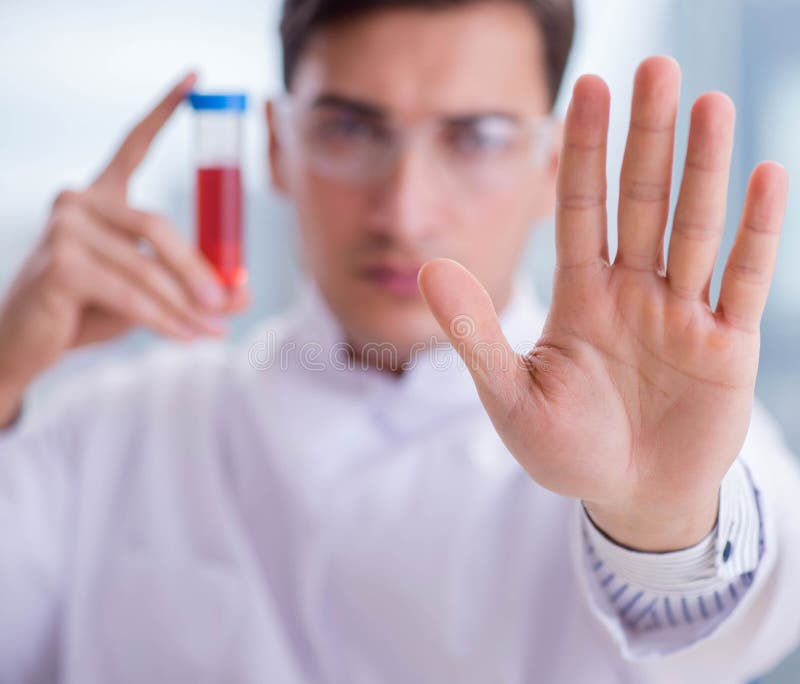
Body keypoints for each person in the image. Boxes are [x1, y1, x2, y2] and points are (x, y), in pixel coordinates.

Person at [1, 0, 798, 682]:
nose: (404, 210)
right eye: (349, 127)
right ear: (277, 147)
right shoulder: (109, 429)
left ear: (549, 167)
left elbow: (739, 611)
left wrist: (657, 523)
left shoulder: (667, 432)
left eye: (476, 137)